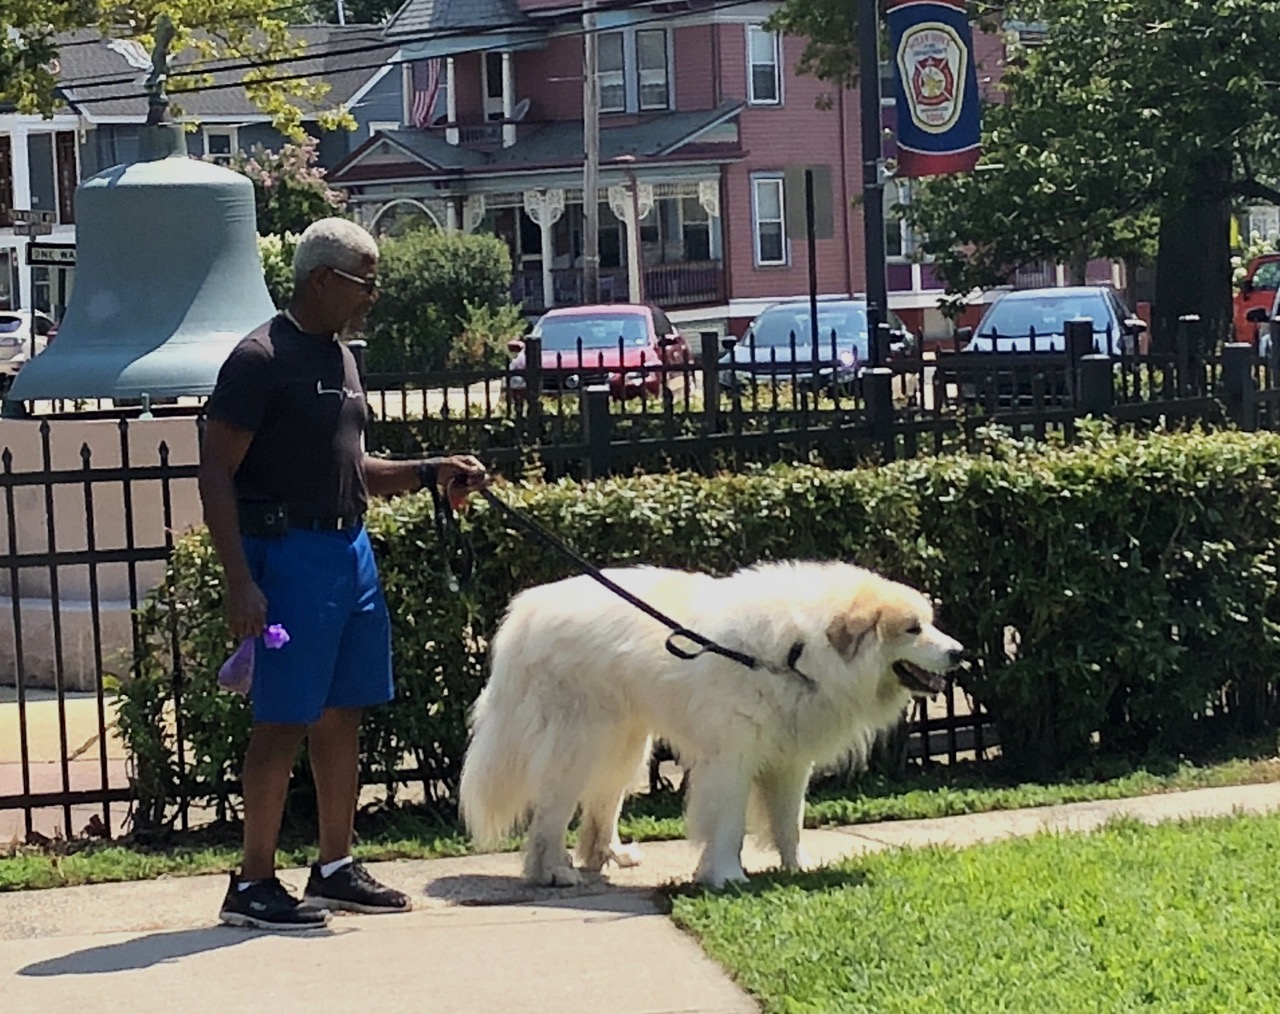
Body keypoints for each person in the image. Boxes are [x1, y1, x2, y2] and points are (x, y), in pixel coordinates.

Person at [199, 217, 487, 930]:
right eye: (366, 283)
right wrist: (241, 580)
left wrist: (428, 471)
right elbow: (214, 472)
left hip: (347, 552)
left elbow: (353, 468)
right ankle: (253, 884)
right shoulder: (260, 359)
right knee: (282, 719)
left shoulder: (339, 358)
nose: (374, 297)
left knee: (340, 712)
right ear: (323, 279)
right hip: (288, 556)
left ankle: (332, 868)